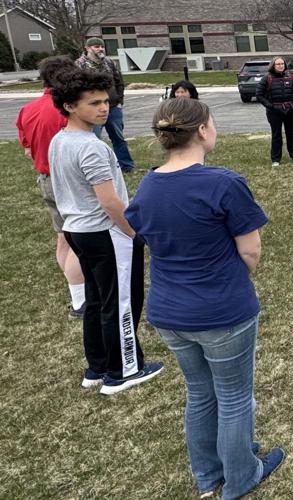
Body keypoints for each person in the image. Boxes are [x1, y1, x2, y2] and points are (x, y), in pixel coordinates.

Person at [124, 98, 284, 499]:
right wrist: (223, 282)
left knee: (199, 393)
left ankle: (208, 476)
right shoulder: (223, 183)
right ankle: (241, 477)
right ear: (201, 131)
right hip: (220, 312)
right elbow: (251, 252)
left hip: (168, 312)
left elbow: (144, 233)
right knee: (232, 397)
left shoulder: (147, 184)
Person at [49, 68, 163, 394]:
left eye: (105, 101)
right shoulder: (91, 147)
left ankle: (96, 366)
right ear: (70, 106)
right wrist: (132, 231)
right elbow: (109, 201)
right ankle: (122, 371)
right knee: (121, 302)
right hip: (104, 232)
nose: (103, 108)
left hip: (77, 230)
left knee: (97, 301)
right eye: (94, 103)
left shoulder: (61, 140)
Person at [16, 55, 86, 319]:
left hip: (46, 179)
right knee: (78, 240)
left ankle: (76, 289)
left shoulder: (28, 109)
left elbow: (26, 150)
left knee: (63, 237)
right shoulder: (67, 110)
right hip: (70, 181)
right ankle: (81, 301)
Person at [75, 37, 136, 173]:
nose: (100, 49)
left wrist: (119, 101)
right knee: (94, 139)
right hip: (92, 109)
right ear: (87, 48)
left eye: (102, 47)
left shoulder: (109, 63)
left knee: (118, 138)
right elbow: (77, 87)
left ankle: (126, 166)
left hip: (113, 108)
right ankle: (98, 168)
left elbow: (119, 81)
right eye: (96, 47)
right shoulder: (80, 64)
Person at [256, 57, 293, 167]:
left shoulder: (290, 77)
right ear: (273, 65)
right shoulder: (267, 78)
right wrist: (271, 106)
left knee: (291, 133)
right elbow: (259, 94)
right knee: (276, 134)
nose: (281, 66)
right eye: (278, 64)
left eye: (282, 64)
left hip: (289, 110)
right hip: (274, 112)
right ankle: (276, 159)